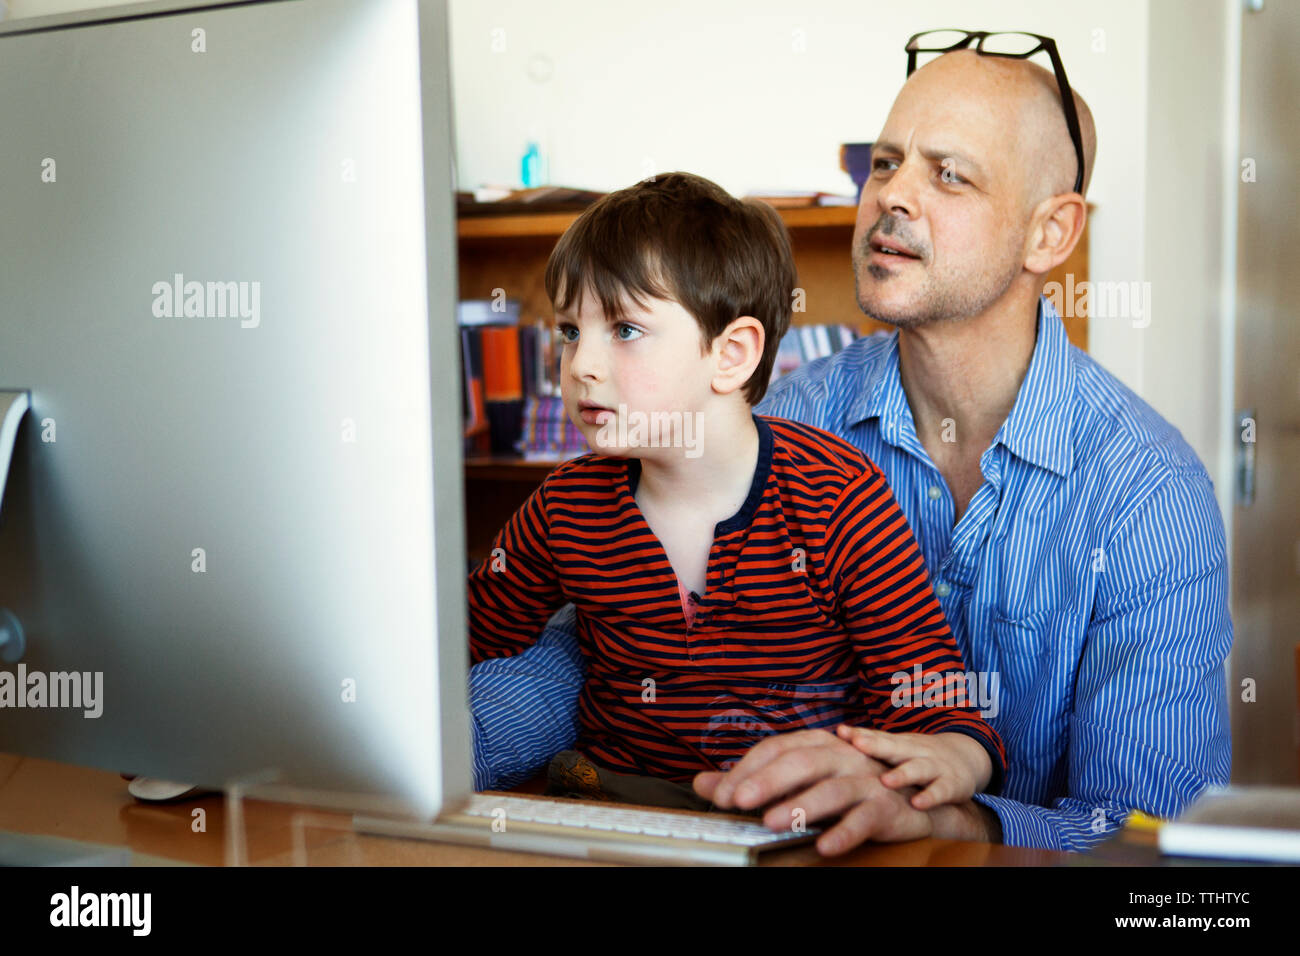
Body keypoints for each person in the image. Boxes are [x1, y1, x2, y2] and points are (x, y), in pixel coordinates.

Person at [469, 41, 1232, 855]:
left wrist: (953, 818)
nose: (890, 196)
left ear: (1050, 233)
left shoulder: (1151, 498)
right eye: (885, 163)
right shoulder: (773, 422)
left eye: (949, 174)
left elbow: (1156, 855)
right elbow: (578, 654)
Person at [468, 170, 1007, 815]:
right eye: (569, 331)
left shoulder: (838, 498)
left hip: (791, 820)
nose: (580, 365)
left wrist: (960, 753)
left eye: (625, 330)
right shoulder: (566, 507)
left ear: (732, 355)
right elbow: (471, 636)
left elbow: (939, 705)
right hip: (613, 810)